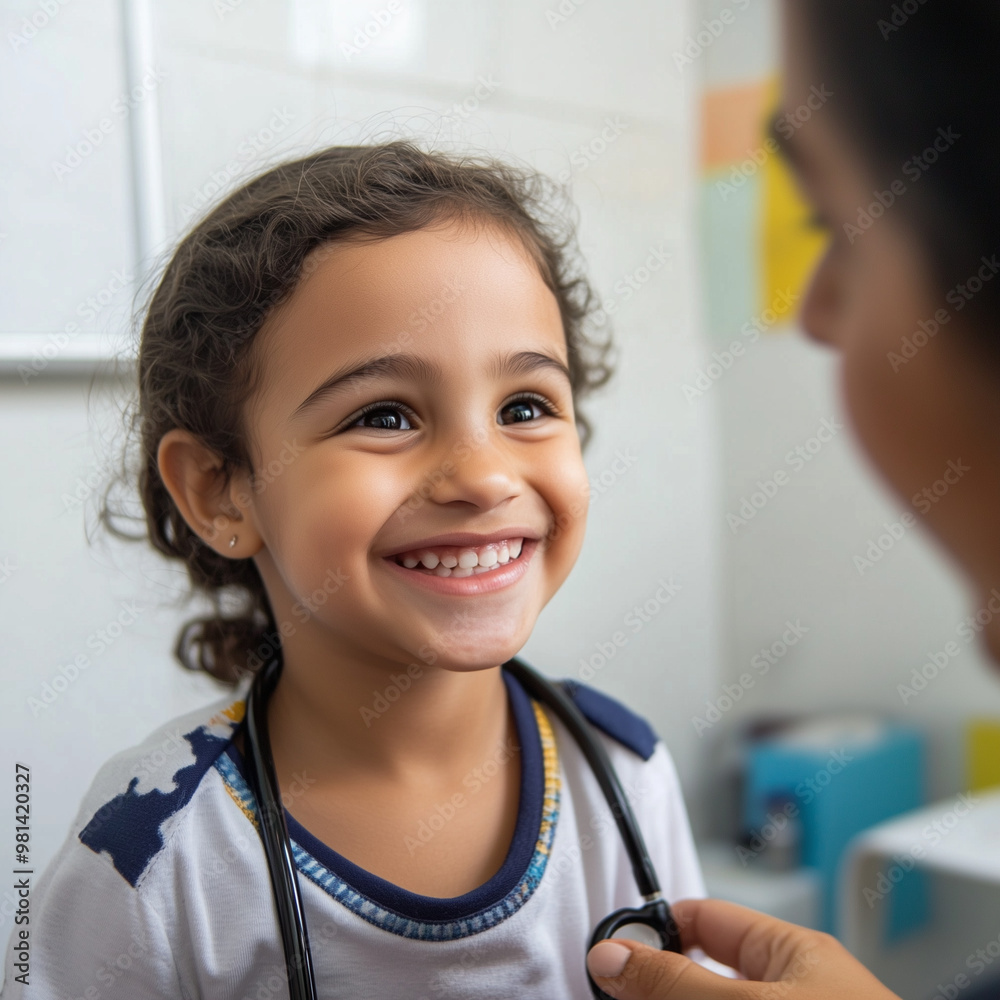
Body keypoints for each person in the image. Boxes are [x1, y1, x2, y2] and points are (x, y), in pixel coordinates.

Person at [0, 142, 713, 998]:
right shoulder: (149, 848)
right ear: (220, 491)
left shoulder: (624, 770)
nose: (485, 476)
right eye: (384, 415)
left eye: (525, 406)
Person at [585, 0, 1000, 997]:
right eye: (381, 416)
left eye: (837, 225)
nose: (813, 314)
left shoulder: (615, 766)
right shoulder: (162, 835)